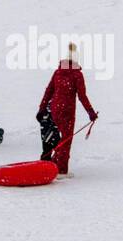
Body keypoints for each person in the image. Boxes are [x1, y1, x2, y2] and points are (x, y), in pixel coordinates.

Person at [37, 43, 98, 176]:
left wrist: (42, 108)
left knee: (56, 138)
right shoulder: (77, 75)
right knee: (66, 140)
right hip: (67, 111)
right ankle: (61, 170)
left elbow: (49, 91)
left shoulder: (58, 72)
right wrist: (91, 112)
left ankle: (52, 161)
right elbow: (82, 96)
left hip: (54, 109)